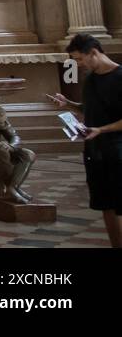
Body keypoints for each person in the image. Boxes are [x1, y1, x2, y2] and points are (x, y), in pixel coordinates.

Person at [53, 34, 122, 247]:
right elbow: (89, 109)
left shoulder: (120, 77)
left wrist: (100, 130)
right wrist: (68, 104)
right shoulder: (91, 79)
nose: (79, 65)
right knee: (105, 204)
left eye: (80, 59)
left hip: (118, 149)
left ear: (93, 52)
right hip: (94, 150)